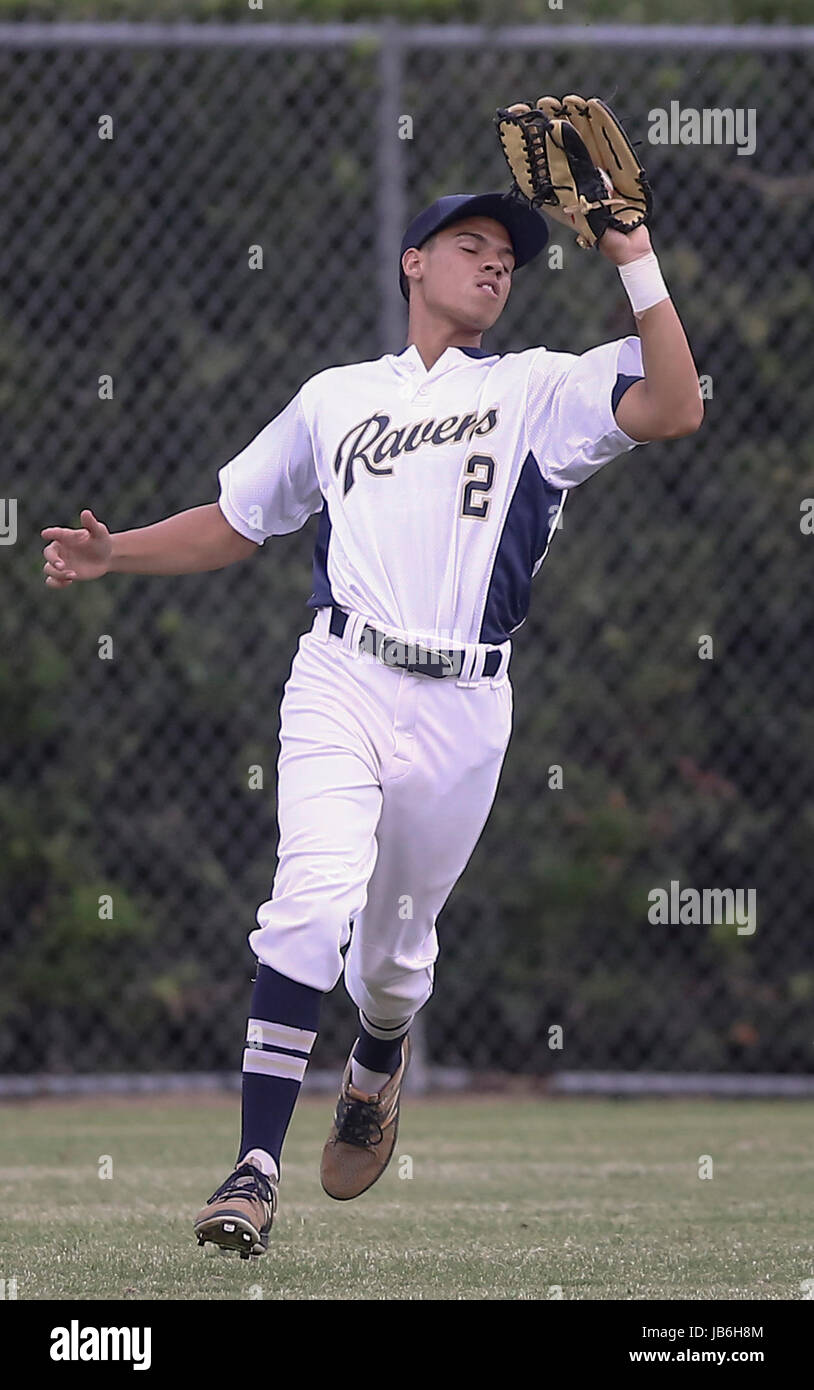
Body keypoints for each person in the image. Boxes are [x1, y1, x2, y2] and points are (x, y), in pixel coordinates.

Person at [41, 191, 703, 1259]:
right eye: (470, 247)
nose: (494, 267)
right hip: (341, 675)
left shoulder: (538, 387)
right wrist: (119, 553)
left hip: (464, 705)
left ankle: (376, 1059)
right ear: (412, 263)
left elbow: (675, 406)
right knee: (308, 904)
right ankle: (253, 1168)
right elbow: (238, 517)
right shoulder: (336, 399)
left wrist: (635, 259)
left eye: (508, 257)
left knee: (393, 968)